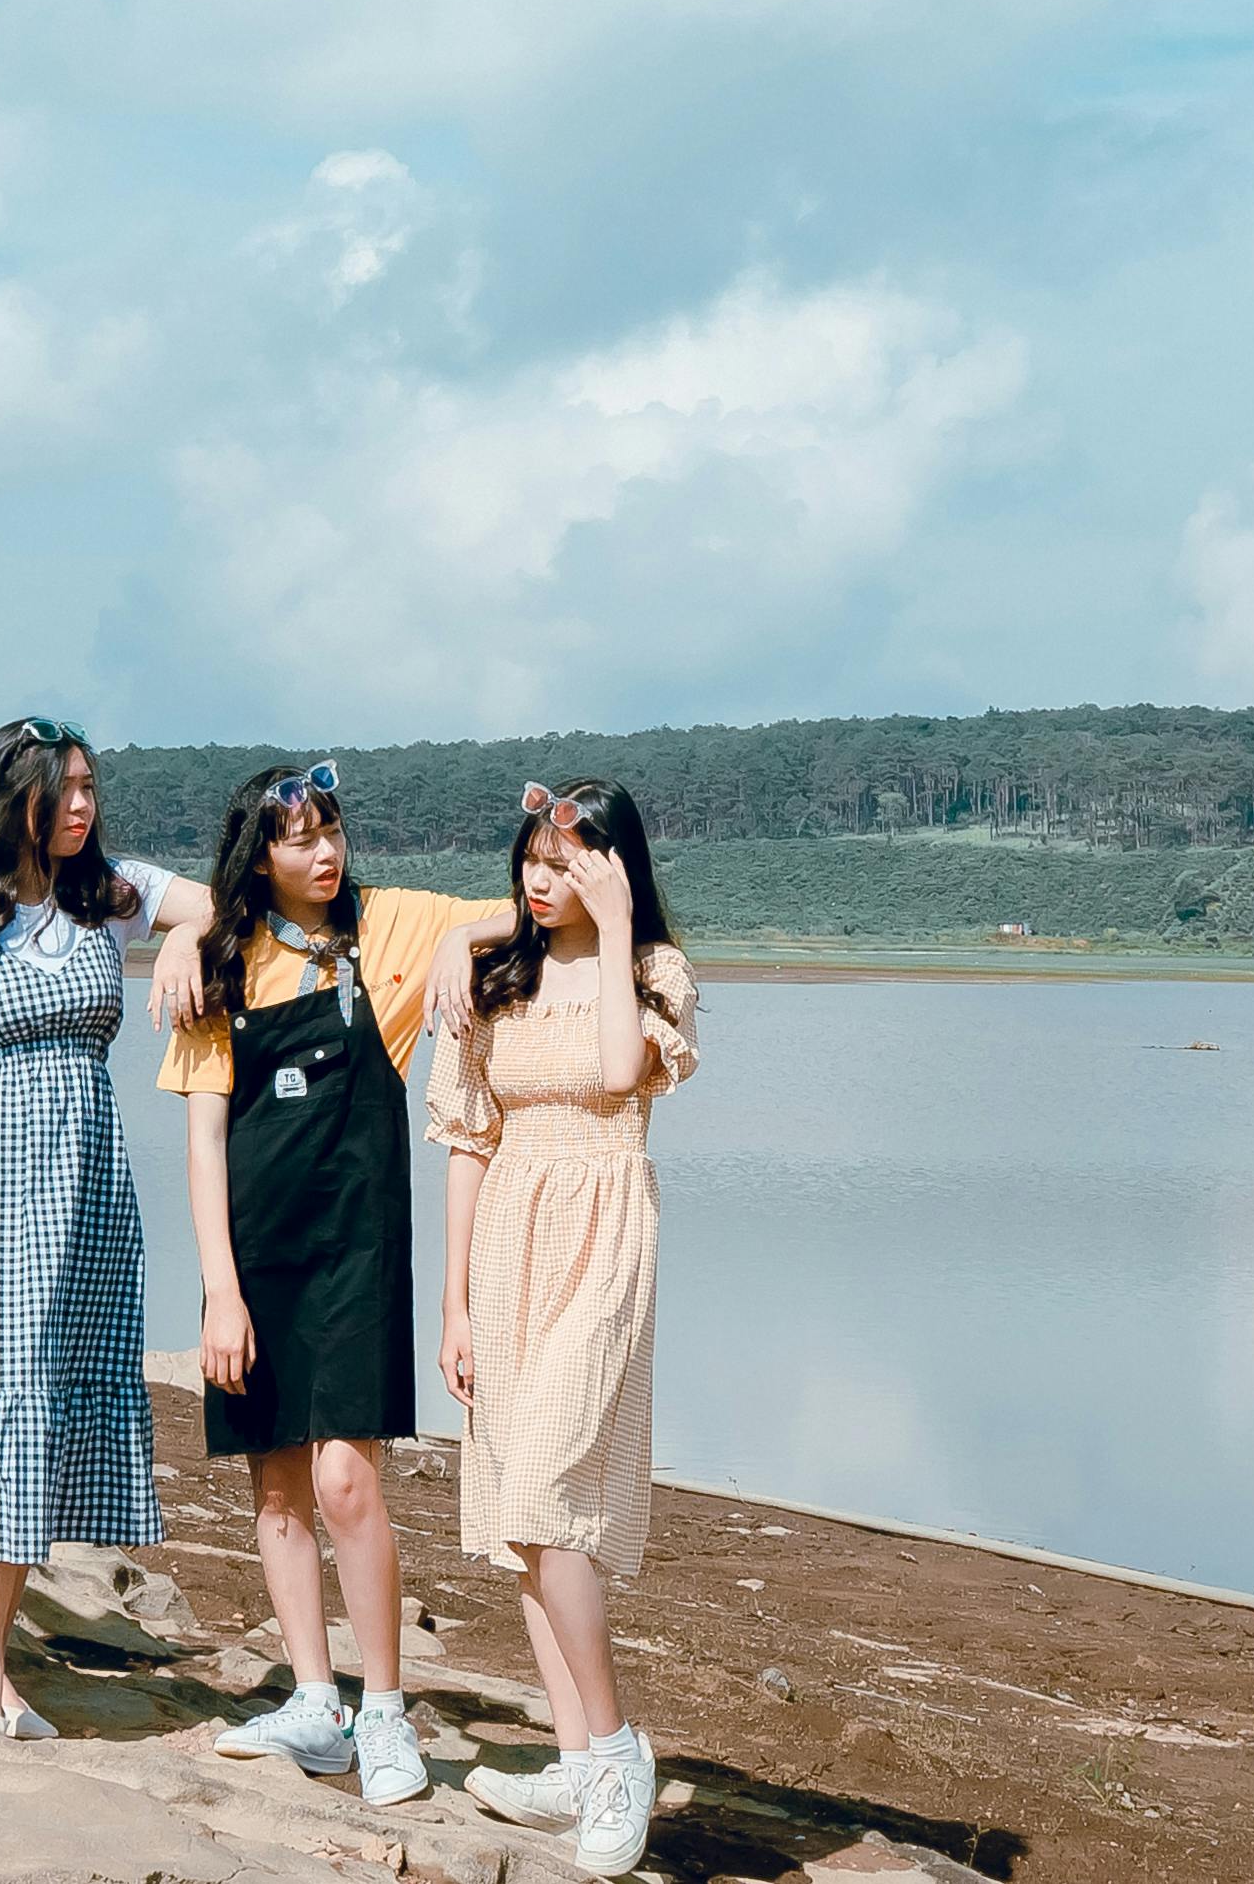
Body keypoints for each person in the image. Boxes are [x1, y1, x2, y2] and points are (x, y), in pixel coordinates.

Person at [156, 760, 512, 1804]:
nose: (323, 851)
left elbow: (531, 908)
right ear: (258, 853)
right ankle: (313, 1700)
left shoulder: (389, 924)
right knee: (272, 1484)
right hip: (255, 1253)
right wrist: (218, 1289)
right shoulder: (220, 958)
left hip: (356, 1245)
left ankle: (386, 1705)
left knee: (346, 1478)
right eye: (298, 837)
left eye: (332, 829)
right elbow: (202, 1144)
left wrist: (459, 937)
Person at [0, 717, 216, 1741]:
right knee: (0, 1400)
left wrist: (185, 933)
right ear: (7, 793)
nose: (79, 805)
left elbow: (218, 899)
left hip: (87, 1190)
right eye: (57, 789)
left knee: (44, 1409)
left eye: (88, 787)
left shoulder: (107, 896)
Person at [430, 778, 699, 1881]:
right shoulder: (492, 978)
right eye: (530, 860)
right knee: (516, 1518)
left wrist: (623, 916)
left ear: (613, 866)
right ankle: (579, 1755)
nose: (541, 880)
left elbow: (611, 1073)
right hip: (505, 1245)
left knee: (547, 1489)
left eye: (567, 861)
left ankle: (618, 1747)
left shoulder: (654, 976)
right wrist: (450, 1300)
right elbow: (464, 1142)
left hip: (599, 1233)